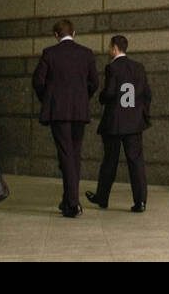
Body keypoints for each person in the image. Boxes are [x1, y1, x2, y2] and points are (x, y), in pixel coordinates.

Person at [32, 18, 98, 217]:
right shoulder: (86, 54)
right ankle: (68, 199)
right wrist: (82, 97)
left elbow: (38, 81)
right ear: (74, 33)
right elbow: (94, 82)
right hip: (79, 111)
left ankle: (72, 202)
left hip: (58, 112)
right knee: (74, 155)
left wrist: (49, 98)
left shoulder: (49, 54)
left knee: (66, 155)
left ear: (56, 35)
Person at [86, 34, 151, 212]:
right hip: (134, 123)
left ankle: (102, 198)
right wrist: (141, 115)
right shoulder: (139, 68)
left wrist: (101, 97)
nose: (109, 50)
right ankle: (141, 202)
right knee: (136, 163)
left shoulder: (112, 68)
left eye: (109, 47)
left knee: (109, 162)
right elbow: (147, 94)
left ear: (114, 48)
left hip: (114, 123)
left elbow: (110, 92)